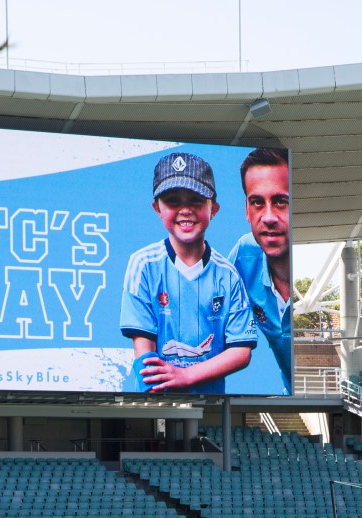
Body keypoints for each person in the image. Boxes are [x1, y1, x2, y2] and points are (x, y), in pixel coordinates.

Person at [120, 152, 255, 393]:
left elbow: (241, 351)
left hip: (210, 407)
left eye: (195, 200)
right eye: (172, 200)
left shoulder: (228, 275)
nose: (185, 210)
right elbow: (144, 349)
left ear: (213, 208)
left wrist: (187, 375)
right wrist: (154, 402)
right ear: (157, 208)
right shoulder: (143, 264)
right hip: (158, 406)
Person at [228, 147, 293, 393]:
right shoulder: (244, 255)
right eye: (257, 202)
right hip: (290, 392)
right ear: (246, 209)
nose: (268, 217)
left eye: (280, 202)